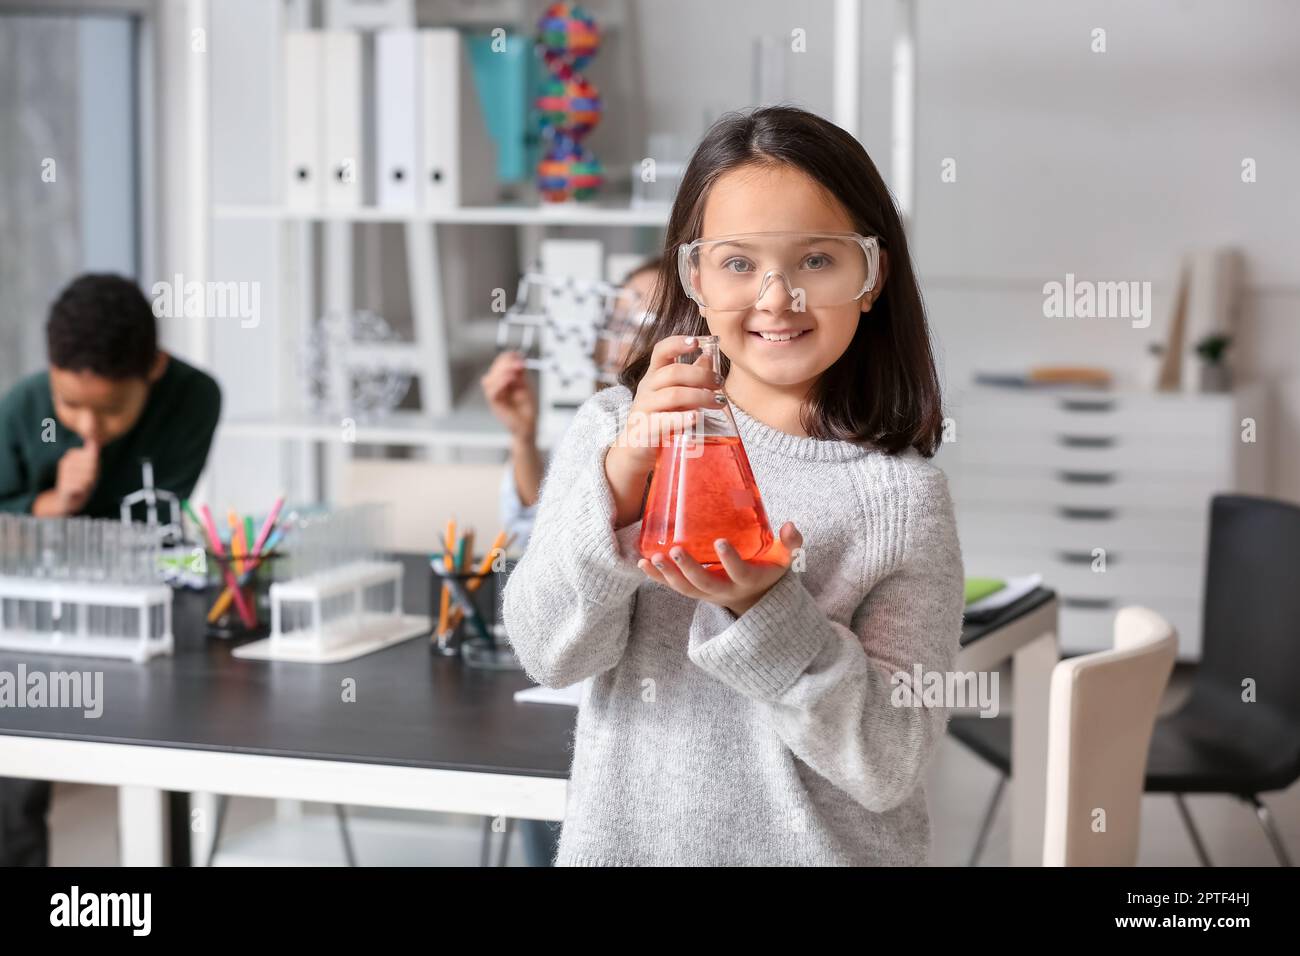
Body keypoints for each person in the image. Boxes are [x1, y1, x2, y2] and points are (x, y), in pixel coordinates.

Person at [501, 105, 964, 866]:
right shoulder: (614, 430)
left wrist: (763, 610)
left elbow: (890, 763)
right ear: (695, 275)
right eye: (738, 262)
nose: (776, 298)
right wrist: (621, 479)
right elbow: (548, 651)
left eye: (817, 260)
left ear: (872, 275)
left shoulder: (901, 500)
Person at [0, 273, 222, 866]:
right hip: (28, 623)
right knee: (14, 783)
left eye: (112, 411)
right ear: (50, 370)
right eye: (70, 405)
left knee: (163, 749)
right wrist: (49, 507)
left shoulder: (194, 397)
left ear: (153, 369)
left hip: (144, 608)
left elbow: (157, 521)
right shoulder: (22, 408)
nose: (90, 428)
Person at [479, 258, 659, 867]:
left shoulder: (681, 432)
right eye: (621, 316)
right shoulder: (599, 424)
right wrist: (523, 439)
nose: (632, 332)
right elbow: (542, 536)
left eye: (650, 315)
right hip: (572, 672)